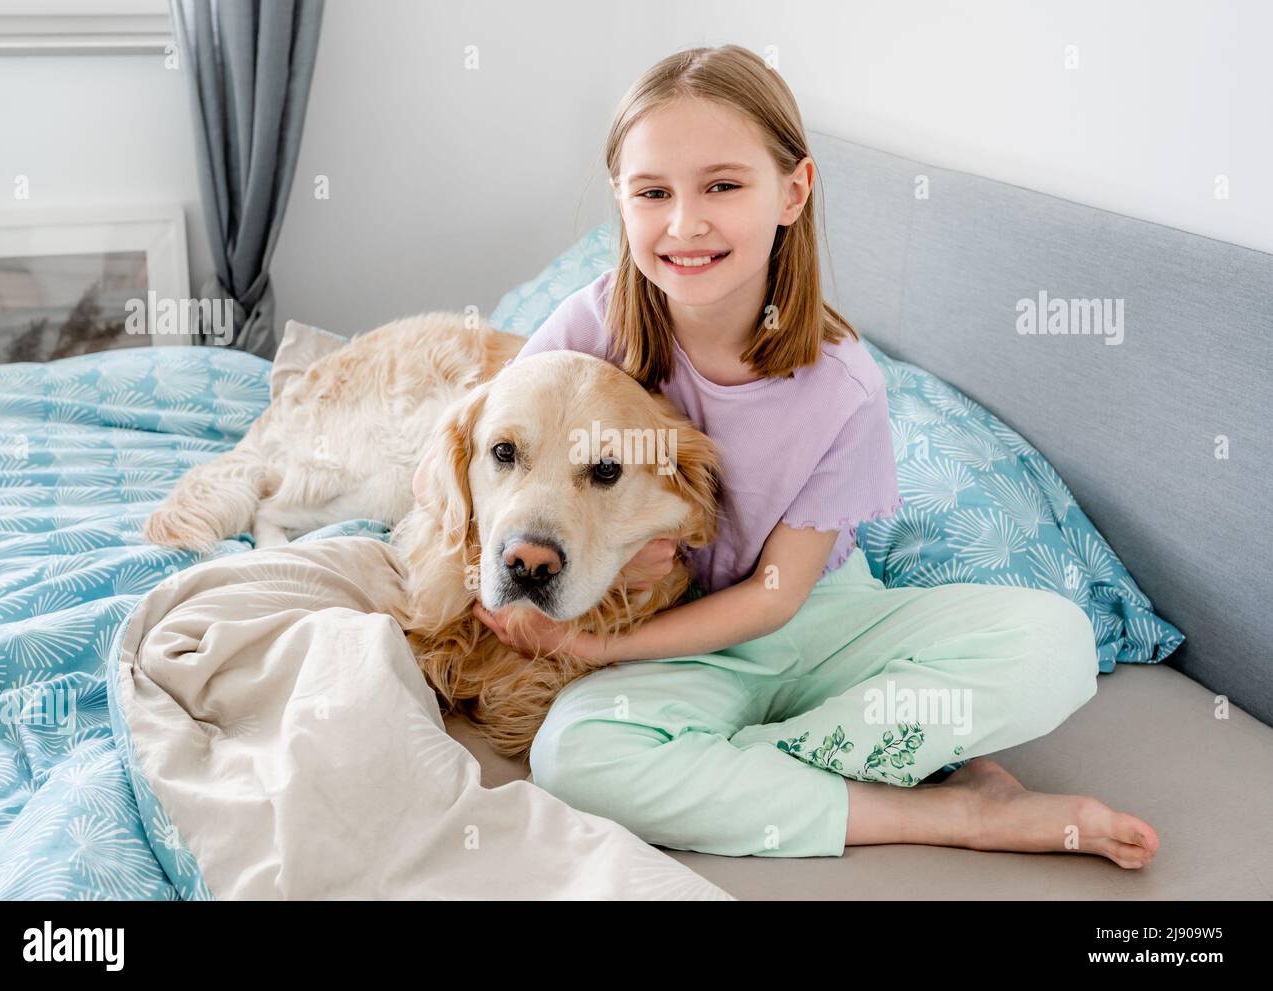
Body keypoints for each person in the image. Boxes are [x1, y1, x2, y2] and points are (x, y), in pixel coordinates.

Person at [472, 45, 1159, 867]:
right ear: (621, 197)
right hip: (678, 635)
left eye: (722, 186)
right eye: (653, 192)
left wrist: (592, 651)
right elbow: (505, 466)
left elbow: (773, 597)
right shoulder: (589, 329)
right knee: (572, 755)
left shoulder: (844, 386)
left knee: (1057, 641)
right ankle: (946, 808)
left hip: (817, 615)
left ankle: (771, 764)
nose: (684, 223)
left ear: (793, 191)